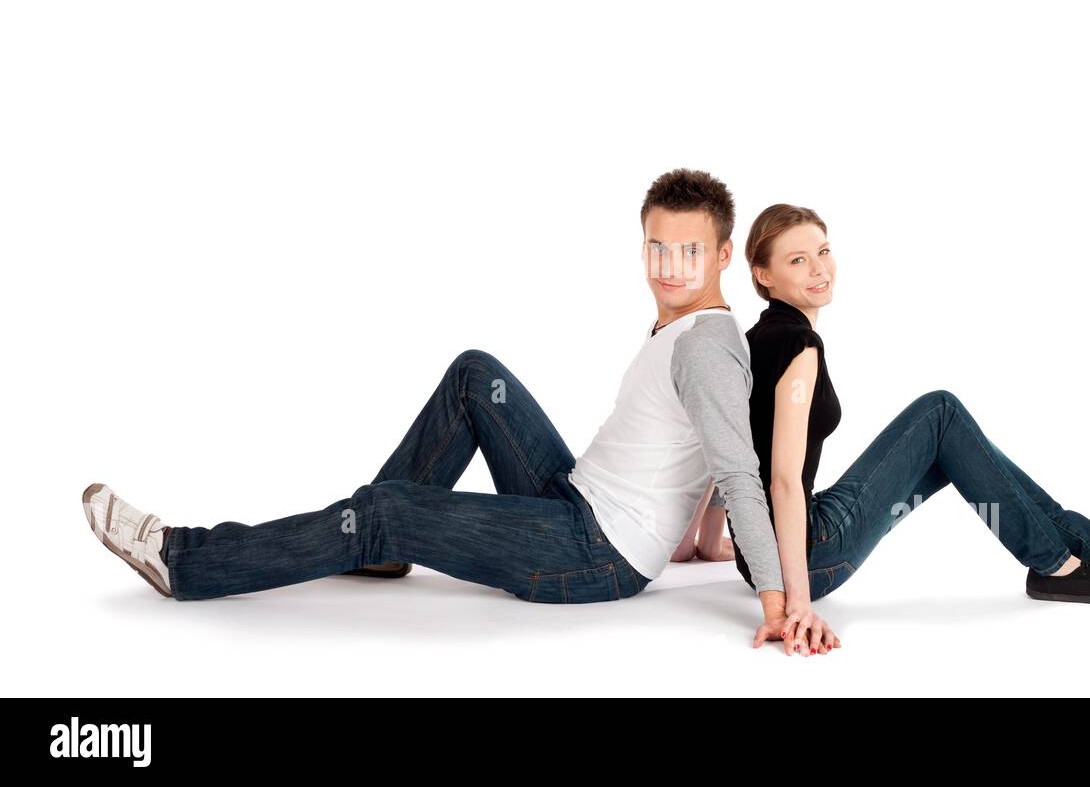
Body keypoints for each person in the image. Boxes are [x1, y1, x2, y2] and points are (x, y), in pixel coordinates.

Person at [80, 169, 835, 656]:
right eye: (657, 248)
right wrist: (694, 538)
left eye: (690, 253)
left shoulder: (706, 345)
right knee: (477, 377)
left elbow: (739, 470)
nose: (670, 268)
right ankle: (373, 543)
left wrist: (776, 602)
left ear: (725, 256)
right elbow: (695, 446)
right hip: (577, 498)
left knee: (385, 506)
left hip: (592, 552)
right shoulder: (679, 328)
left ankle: (186, 561)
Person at [725, 202, 1090, 629]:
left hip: (768, 555)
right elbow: (783, 482)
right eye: (797, 260)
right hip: (810, 556)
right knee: (941, 412)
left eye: (823, 252)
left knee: (952, 445)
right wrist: (800, 603)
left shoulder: (754, 340)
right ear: (763, 275)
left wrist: (712, 544)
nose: (819, 269)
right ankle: (1061, 564)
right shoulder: (798, 347)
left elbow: (726, 445)